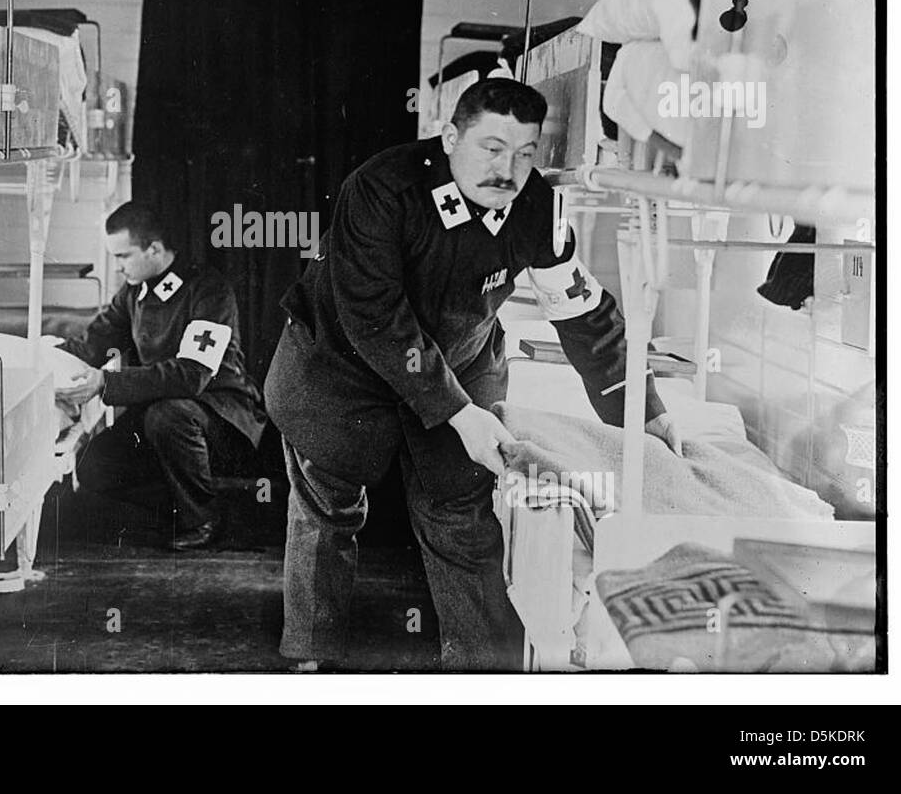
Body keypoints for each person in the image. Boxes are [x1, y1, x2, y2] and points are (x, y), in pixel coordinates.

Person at [264, 77, 681, 669]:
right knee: (326, 512)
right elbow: (376, 316)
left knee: (460, 520)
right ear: (451, 136)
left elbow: (582, 310)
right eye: (491, 147)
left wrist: (646, 410)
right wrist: (460, 413)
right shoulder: (382, 190)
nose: (507, 170)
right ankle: (311, 660)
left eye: (524, 153)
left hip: (459, 364)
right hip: (339, 369)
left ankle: (485, 675)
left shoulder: (538, 209)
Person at [57, 202, 267, 550]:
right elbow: (92, 345)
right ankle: (183, 502)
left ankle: (203, 518)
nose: (118, 265)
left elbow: (192, 375)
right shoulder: (134, 293)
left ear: (154, 249)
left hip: (223, 416)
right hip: (165, 418)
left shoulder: (208, 291)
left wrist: (106, 383)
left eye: (123, 255)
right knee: (96, 468)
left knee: (166, 415)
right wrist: (38, 356)